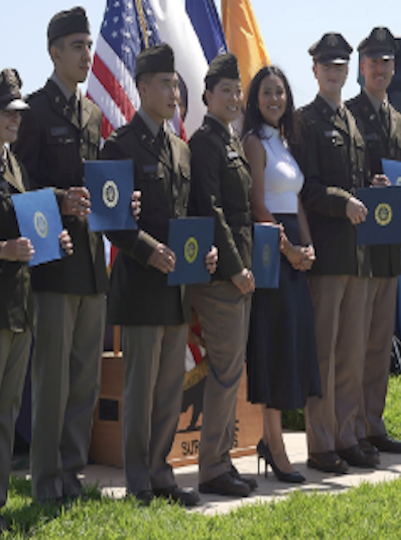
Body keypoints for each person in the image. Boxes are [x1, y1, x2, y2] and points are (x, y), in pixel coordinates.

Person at [0, 69, 71, 533]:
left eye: (18, 112)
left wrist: (50, 240)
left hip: (19, 307)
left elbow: (27, 228)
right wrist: (0, 251)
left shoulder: (15, 166)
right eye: (6, 112)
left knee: (6, 414)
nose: (16, 119)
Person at [102, 43, 216, 507]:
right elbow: (112, 221)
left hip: (176, 291)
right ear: (143, 88)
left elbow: (189, 216)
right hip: (140, 289)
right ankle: (139, 483)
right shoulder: (119, 146)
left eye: (176, 85)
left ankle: (161, 473)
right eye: (166, 84)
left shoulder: (181, 150)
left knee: (170, 389)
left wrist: (205, 252)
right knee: (141, 391)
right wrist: (149, 252)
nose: (174, 93)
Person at [12, 7, 112, 505]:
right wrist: (58, 200)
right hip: (53, 263)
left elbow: (98, 182)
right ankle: (46, 482)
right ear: (53, 53)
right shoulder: (33, 111)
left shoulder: (92, 114)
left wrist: (121, 202)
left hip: (91, 264)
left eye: (89, 45)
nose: (86, 55)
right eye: (77, 46)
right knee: (51, 380)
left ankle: (73, 475)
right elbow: (19, 182)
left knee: (85, 379)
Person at [296, 32, 373, 474]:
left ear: (348, 71)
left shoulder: (353, 122)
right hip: (325, 255)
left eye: (340, 66)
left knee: (352, 355)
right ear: (315, 71)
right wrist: (343, 201)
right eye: (327, 66)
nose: (333, 72)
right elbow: (305, 188)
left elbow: (357, 181)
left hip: (356, 256)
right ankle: (321, 443)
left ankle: (346, 436)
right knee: (324, 355)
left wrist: (372, 191)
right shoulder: (305, 122)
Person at [187, 52, 260, 498]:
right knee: (226, 371)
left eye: (237, 91)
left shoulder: (229, 140)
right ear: (207, 95)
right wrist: (235, 269)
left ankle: (220, 460)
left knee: (231, 370)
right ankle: (212, 468)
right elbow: (211, 210)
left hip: (240, 271)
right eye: (225, 91)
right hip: (220, 278)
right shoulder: (205, 143)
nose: (234, 98)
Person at [243, 64, 319, 484]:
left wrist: (308, 246)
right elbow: (257, 203)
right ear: (255, 100)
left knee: (293, 343)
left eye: (280, 92)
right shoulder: (254, 142)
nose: (275, 99)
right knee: (273, 345)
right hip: (270, 250)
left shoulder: (286, 142)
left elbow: (298, 201)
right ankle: (273, 443)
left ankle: (273, 440)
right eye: (267, 92)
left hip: (293, 251)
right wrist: (287, 248)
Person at [345, 26, 401, 457]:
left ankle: (374, 423)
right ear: (361, 67)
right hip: (359, 244)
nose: (381, 69)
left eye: (387, 62)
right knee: (356, 343)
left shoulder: (399, 119)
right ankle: (351, 427)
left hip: (389, 244)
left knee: (379, 341)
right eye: (373, 62)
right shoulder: (349, 114)